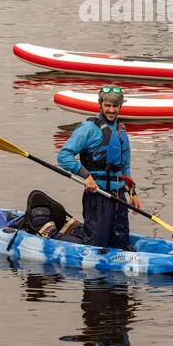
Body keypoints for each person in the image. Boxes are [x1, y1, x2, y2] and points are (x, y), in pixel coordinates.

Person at [57, 86, 143, 249]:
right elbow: (63, 156)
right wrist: (86, 176)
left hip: (119, 197)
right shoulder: (88, 128)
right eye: (107, 105)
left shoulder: (121, 131)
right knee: (95, 245)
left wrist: (133, 193)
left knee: (121, 242)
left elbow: (125, 167)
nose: (111, 110)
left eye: (115, 106)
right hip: (98, 195)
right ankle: (54, 235)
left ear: (120, 107)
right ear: (101, 105)